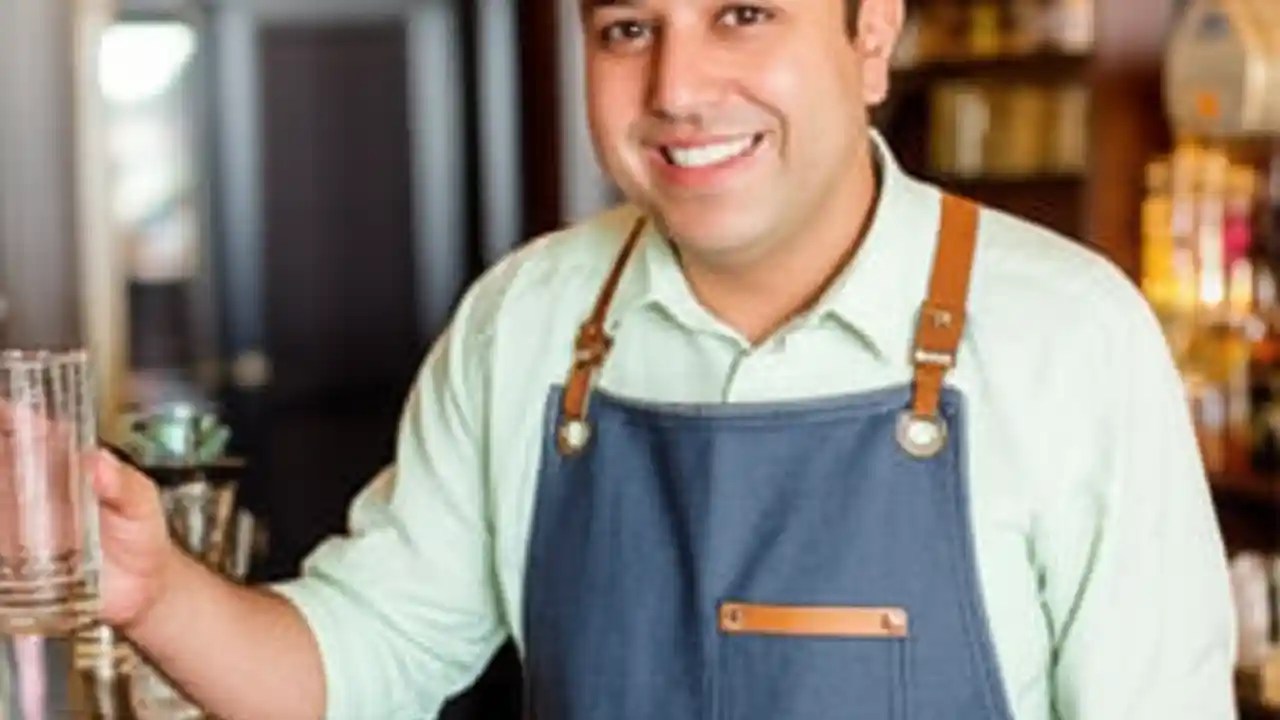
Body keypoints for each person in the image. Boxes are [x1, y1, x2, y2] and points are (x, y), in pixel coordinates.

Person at [92, 0, 1237, 718]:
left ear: (869, 34)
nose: (677, 91)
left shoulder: (1069, 335)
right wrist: (151, 591)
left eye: (742, 14)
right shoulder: (524, 319)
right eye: (627, 29)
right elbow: (356, 666)